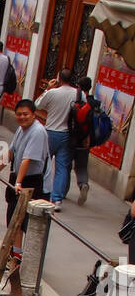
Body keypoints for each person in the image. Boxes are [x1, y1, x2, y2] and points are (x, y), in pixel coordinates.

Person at [4, 99, 50, 255]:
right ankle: (15, 253)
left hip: (33, 181)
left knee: (24, 221)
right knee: (13, 217)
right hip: (19, 177)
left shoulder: (38, 132)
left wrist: (18, 183)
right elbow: (11, 151)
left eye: (25, 114)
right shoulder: (21, 128)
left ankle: (21, 256)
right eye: (19, 114)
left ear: (34, 114)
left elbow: (27, 159)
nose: (22, 117)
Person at [36, 68, 77, 207]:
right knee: (62, 167)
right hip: (67, 134)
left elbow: (37, 105)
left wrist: (47, 88)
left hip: (50, 131)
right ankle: (57, 199)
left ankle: (41, 192)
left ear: (59, 78)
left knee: (44, 163)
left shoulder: (52, 92)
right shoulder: (78, 94)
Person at [69, 76, 97, 205]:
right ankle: (83, 184)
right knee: (81, 166)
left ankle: (61, 192)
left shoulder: (76, 101)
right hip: (86, 140)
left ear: (78, 87)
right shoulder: (94, 103)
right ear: (90, 88)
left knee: (65, 165)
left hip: (71, 138)